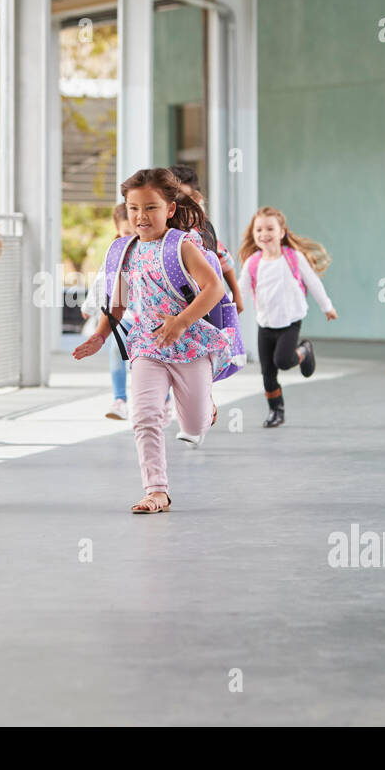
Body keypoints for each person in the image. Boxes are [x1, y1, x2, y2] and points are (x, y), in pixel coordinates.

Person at [74, 168, 228, 514]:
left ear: (170, 209)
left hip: (190, 343)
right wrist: (100, 335)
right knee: (144, 415)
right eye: (133, 208)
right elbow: (119, 300)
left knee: (193, 425)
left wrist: (182, 321)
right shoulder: (122, 250)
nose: (141, 217)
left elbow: (214, 288)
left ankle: (207, 407)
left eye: (151, 208)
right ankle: (156, 490)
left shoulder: (182, 246)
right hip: (147, 344)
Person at [237, 206, 337, 428]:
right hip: (265, 324)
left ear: (282, 232)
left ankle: (304, 350)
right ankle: (276, 411)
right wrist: (230, 309)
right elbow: (240, 291)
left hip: (290, 322)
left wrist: (327, 307)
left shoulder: (293, 257)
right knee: (268, 374)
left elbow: (313, 282)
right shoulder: (253, 262)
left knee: (283, 361)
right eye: (259, 229)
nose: (264, 234)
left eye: (270, 229)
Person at [83, 203, 135, 420]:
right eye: (125, 233)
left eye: (134, 231)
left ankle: (164, 399)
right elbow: (102, 278)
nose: (131, 237)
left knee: (149, 361)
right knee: (116, 352)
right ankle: (120, 399)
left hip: (150, 317)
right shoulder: (116, 251)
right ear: (118, 231)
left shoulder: (151, 248)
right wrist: (90, 305)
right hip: (123, 315)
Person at [169, 164, 245, 314]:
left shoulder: (204, 229)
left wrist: (236, 293)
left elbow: (221, 256)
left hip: (204, 303)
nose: (179, 203)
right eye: (173, 196)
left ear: (196, 198)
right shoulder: (164, 228)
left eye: (183, 196)